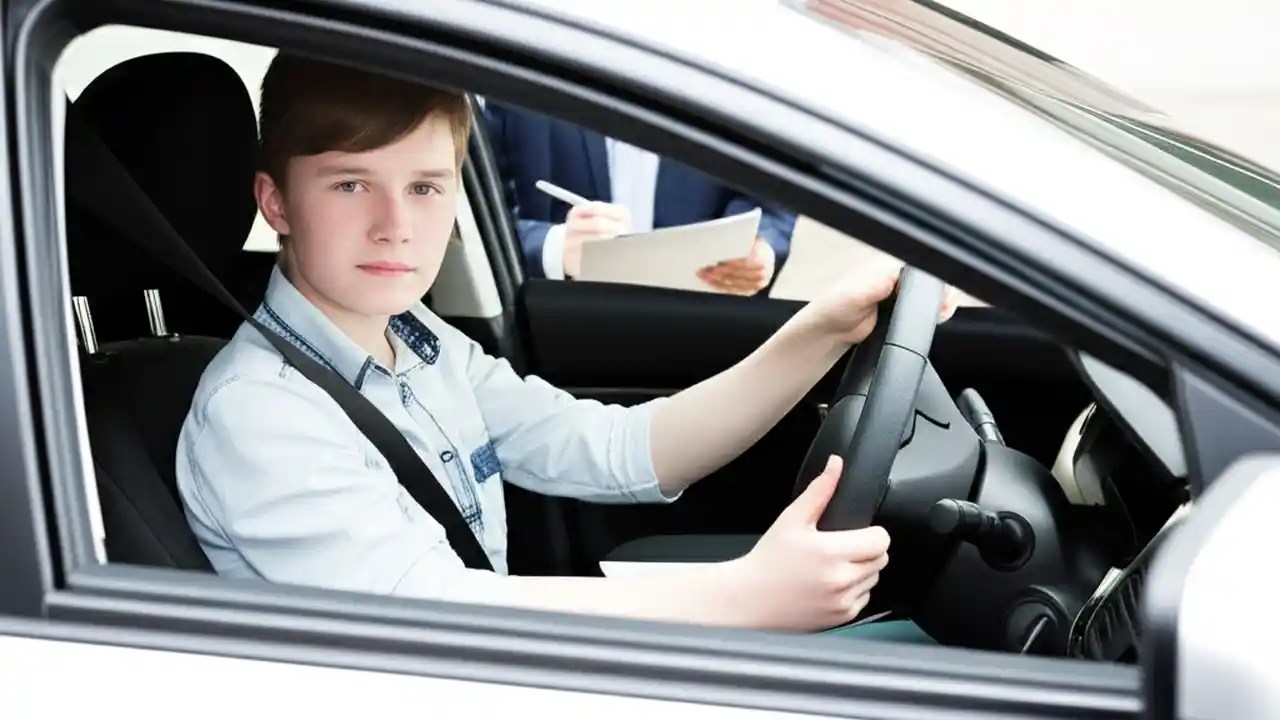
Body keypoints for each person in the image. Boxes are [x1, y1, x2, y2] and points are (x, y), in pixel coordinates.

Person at [174, 54, 956, 636]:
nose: (395, 224)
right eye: (351, 184)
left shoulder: (418, 343)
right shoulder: (260, 410)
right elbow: (439, 619)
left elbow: (616, 447)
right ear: (275, 202)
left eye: (425, 186)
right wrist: (743, 597)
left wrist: (821, 330)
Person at [482, 100, 797, 295]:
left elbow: (771, 200)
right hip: (560, 329)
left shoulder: (721, 67)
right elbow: (472, 221)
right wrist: (554, 246)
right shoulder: (523, 69)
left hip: (696, 324)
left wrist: (760, 248)